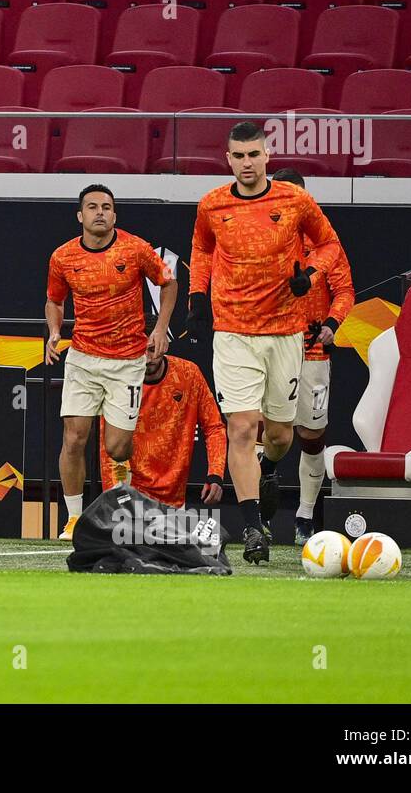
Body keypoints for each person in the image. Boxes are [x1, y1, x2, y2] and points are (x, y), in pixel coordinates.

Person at [187, 121, 341, 563]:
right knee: (240, 428)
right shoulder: (212, 204)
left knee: (278, 435)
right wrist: (198, 294)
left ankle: (269, 469)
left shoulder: (294, 200)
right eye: (238, 155)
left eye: (254, 154)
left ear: (267, 156)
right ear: (228, 158)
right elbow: (200, 249)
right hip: (233, 332)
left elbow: (329, 245)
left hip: (285, 332)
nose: (247, 163)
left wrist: (307, 275)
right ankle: (253, 527)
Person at [46, 184, 177, 540]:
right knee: (74, 438)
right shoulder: (63, 257)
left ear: (115, 215)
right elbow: (54, 301)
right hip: (83, 359)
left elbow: (168, 283)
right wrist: (54, 331)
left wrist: (161, 329)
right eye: (92, 207)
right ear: (80, 215)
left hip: (127, 362)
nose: (99, 212)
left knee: (117, 448)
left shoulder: (135, 249)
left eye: (106, 207)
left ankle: (120, 510)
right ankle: (74, 519)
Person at [270, 168, 354, 544]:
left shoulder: (326, 242)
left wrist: (332, 324)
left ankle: (305, 514)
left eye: (298, 197)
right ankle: (258, 511)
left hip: (314, 353)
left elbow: (346, 292)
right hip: (269, 347)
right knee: (265, 432)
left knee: (311, 434)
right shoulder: (260, 239)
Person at [98, 317, 227, 510]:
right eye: (140, 350)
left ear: (165, 344)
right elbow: (108, 447)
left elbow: (214, 427)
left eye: (152, 349)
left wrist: (216, 473)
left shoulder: (189, 375)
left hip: (174, 502)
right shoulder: (119, 379)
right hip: (129, 499)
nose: (147, 359)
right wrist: (116, 498)